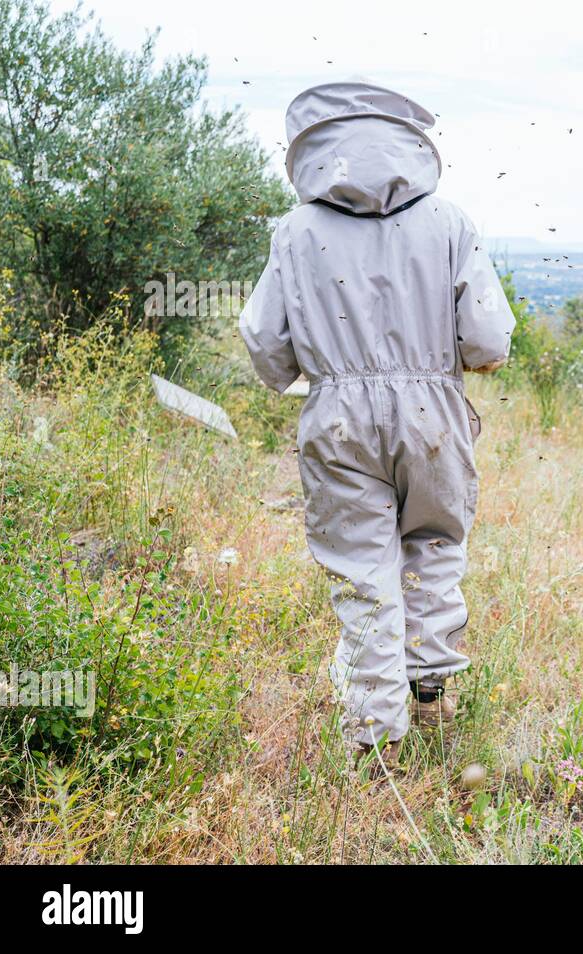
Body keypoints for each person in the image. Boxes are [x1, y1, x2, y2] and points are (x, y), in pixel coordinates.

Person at [239, 81, 514, 770]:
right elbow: (488, 338)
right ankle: (430, 688)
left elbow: (265, 341)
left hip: (337, 413)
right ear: (407, 142)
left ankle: (373, 741)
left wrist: (320, 371)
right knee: (433, 546)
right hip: (434, 412)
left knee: (362, 570)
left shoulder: (296, 231)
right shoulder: (449, 221)